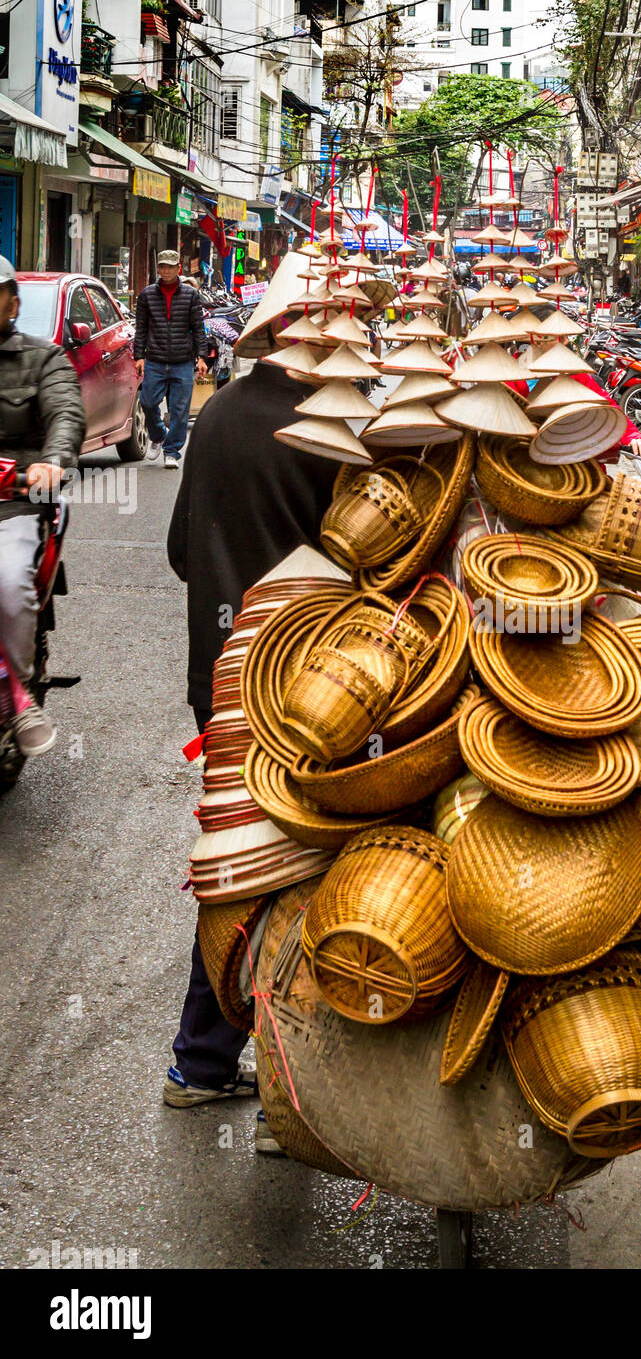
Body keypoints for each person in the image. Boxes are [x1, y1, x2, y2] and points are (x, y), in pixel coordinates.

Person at [163, 254, 341, 1145]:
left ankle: (199, 1063)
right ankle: (283, 1092)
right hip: (312, 692)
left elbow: (181, 551)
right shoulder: (337, 427)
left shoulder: (219, 413)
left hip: (219, 679)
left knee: (234, 862)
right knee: (299, 872)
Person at [0, 255, 85, 756]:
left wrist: (53, 460)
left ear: (12, 303)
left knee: (8, 585)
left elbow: (66, 413)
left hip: (16, 505)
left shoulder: (44, 359)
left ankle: (16, 695)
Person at [134, 250, 207, 469]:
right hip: (155, 360)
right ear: (158, 269)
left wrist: (201, 357)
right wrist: (139, 356)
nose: (165, 270)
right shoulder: (147, 295)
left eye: (170, 267)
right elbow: (141, 328)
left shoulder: (191, 295)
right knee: (147, 402)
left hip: (182, 361)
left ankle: (172, 451)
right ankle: (157, 435)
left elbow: (198, 329)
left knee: (179, 409)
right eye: (162, 267)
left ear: (178, 269)